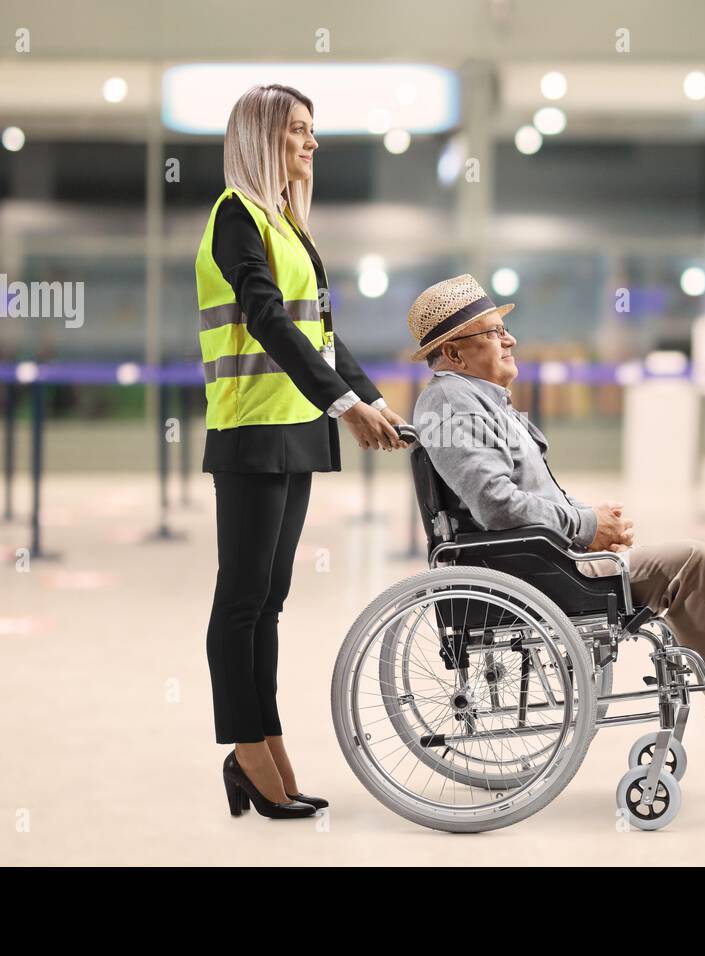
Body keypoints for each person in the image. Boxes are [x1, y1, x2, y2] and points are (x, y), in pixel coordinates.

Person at [407, 275, 705, 769]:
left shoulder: (478, 399)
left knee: (683, 566)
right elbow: (496, 504)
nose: (511, 339)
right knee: (691, 563)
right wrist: (585, 525)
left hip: (540, 557)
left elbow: (518, 498)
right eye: (494, 332)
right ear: (456, 355)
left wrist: (591, 520)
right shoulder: (450, 403)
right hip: (524, 570)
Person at [197, 84, 408, 819]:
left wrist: (371, 397)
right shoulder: (236, 217)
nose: (311, 144)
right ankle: (248, 751)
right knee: (242, 598)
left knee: (270, 602)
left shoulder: (289, 226)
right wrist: (343, 404)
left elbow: (318, 332)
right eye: (297, 131)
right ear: (261, 138)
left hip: (294, 431)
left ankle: (265, 740)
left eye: (312, 131)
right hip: (252, 431)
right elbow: (263, 318)